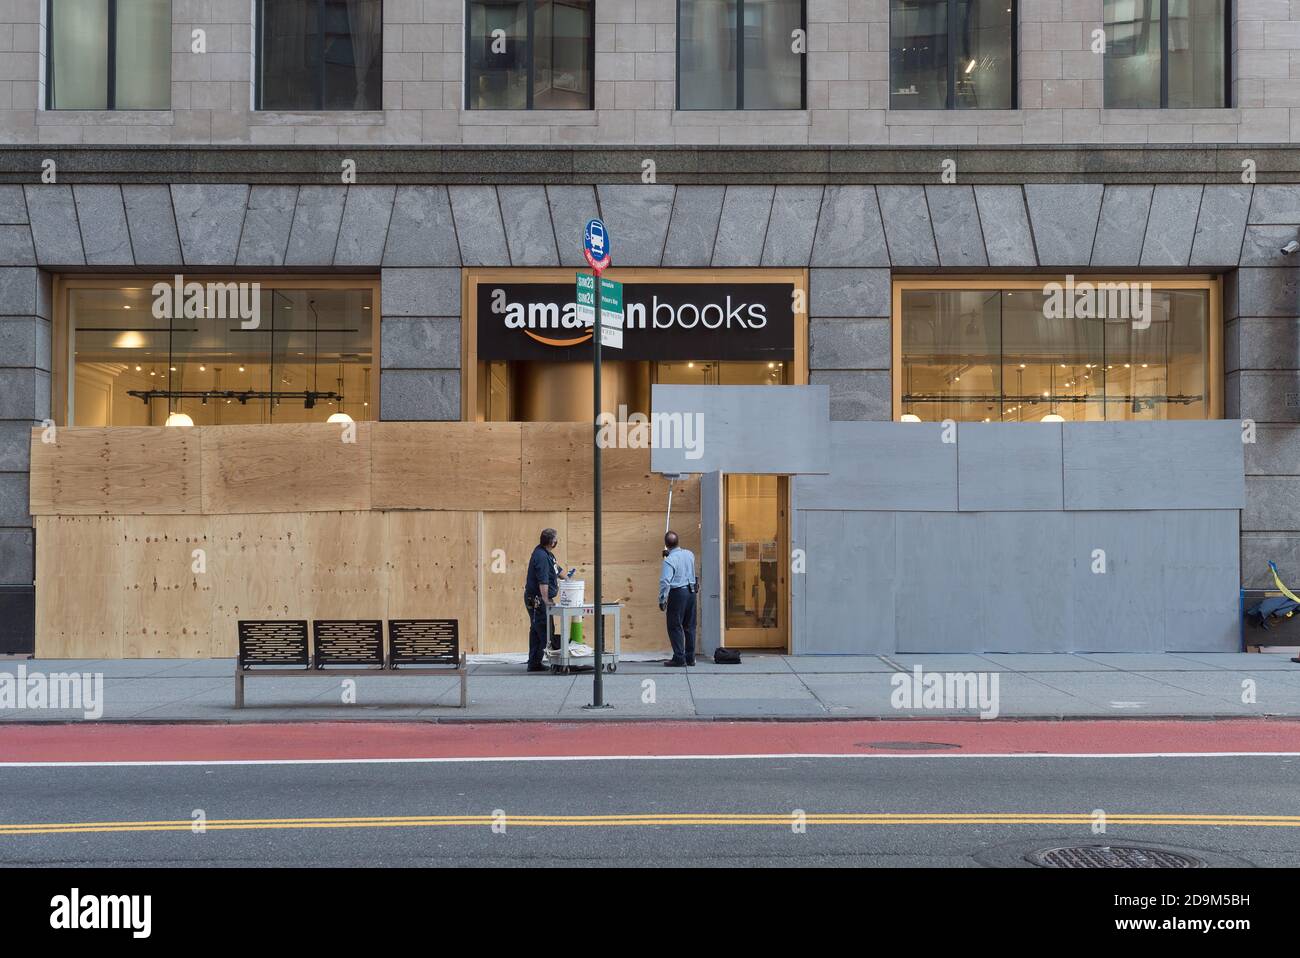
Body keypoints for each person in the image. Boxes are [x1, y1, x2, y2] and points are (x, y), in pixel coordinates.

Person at [658, 530, 697, 667]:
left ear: (666, 544)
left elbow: (665, 582)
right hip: (692, 592)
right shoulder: (690, 554)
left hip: (678, 594)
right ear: (678, 541)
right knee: (690, 626)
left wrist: (662, 599)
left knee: (674, 626)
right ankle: (690, 658)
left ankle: (679, 658)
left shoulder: (669, 561)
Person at [524, 528, 560, 672]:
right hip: (538, 599)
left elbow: (557, 569)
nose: (557, 541)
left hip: (536, 598)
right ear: (552, 542)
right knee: (545, 629)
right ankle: (555, 662)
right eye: (556, 539)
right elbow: (543, 581)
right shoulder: (541, 557)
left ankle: (534, 663)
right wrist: (546, 600)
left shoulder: (546, 554)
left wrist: (569, 579)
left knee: (536, 630)